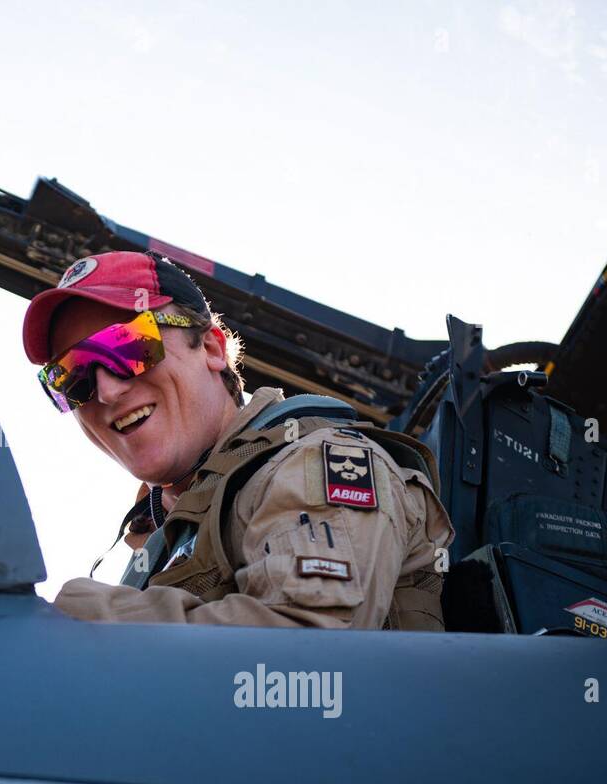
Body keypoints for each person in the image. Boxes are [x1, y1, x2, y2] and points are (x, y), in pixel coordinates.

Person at [24, 251, 454, 628]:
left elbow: (306, 657)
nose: (106, 392)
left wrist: (90, 620)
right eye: (71, 377)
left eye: (129, 345)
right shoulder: (160, 537)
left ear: (211, 348)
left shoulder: (316, 464)